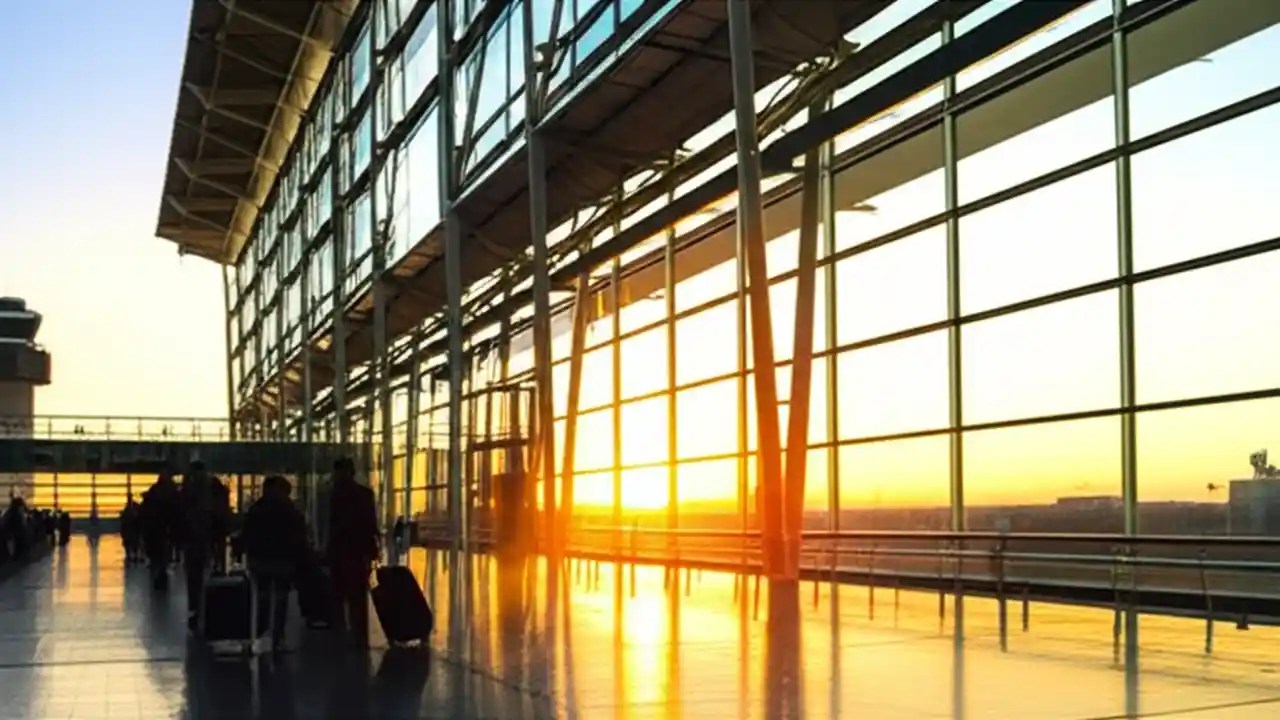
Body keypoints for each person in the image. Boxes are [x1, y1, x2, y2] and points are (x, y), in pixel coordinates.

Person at [240, 475, 308, 650]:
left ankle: (261, 632)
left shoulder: (257, 508)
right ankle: (277, 636)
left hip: (261, 559)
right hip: (282, 559)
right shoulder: (289, 509)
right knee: (280, 598)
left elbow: (247, 532)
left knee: (262, 597)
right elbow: (298, 534)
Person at [326, 458, 379, 647]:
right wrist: (373, 547)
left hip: (341, 549)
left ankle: (340, 633)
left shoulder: (335, 494)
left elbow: (332, 525)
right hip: (359, 549)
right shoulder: (365, 494)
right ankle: (359, 635)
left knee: (338, 593)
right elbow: (371, 523)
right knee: (358, 594)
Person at [140, 472, 181, 590]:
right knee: (164, 551)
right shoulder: (173, 492)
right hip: (167, 527)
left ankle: (158, 571)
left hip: (155, 528)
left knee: (157, 553)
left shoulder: (154, 492)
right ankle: (162, 570)